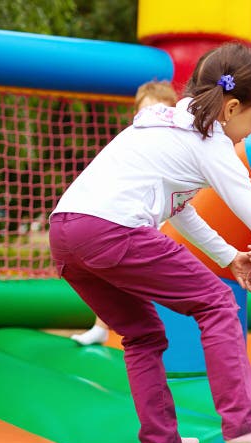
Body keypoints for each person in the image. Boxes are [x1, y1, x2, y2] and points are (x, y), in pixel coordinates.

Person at [48, 43, 251, 443]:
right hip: (112, 229)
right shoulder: (208, 143)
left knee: (142, 334)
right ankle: (244, 421)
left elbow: (180, 207)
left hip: (65, 231)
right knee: (215, 302)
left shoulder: (164, 122)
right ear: (231, 108)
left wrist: (230, 257)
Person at [71, 81, 180, 347]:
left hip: (168, 221)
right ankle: (101, 325)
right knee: (111, 268)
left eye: (160, 112)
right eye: (145, 112)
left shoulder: (176, 147)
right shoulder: (129, 145)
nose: (152, 119)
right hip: (133, 221)